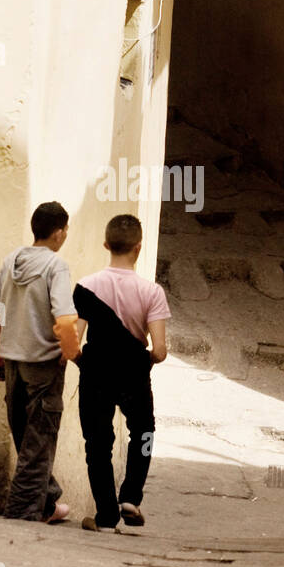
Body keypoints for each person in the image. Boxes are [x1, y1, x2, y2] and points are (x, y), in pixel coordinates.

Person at [0, 202, 80, 523]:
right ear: (58, 232)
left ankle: (48, 502)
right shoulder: (56, 266)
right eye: (65, 230)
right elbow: (65, 320)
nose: (65, 235)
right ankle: (22, 514)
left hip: (12, 361)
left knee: (26, 436)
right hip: (44, 364)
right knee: (38, 440)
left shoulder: (11, 261)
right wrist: (71, 353)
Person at [73, 213, 170, 533]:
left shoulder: (86, 287)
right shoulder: (152, 292)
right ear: (139, 248)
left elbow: (73, 339)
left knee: (97, 443)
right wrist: (145, 362)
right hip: (133, 372)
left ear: (106, 245)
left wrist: (81, 362)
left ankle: (104, 516)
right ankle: (130, 497)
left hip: (96, 371)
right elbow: (159, 350)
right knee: (143, 433)